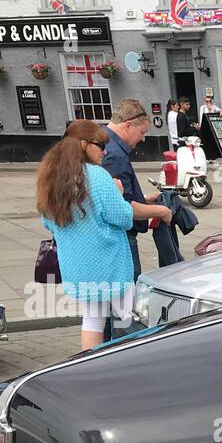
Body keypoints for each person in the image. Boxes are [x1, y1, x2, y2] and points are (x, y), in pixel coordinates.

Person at [35, 120, 137, 351]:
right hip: (110, 266)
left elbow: (47, 222)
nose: (105, 151)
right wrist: (119, 193)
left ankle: (91, 369)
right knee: (128, 319)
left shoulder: (50, 179)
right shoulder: (97, 177)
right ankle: (132, 371)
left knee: (92, 321)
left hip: (78, 268)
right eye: (100, 145)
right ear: (83, 144)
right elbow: (123, 218)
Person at [100, 98, 171, 283]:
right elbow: (122, 207)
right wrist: (161, 211)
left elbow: (112, 197)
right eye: (142, 132)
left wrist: (145, 199)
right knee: (127, 299)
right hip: (120, 239)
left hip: (111, 238)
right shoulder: (114, 155)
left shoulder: (105, 143)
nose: (143, 138)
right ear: (128, 125)